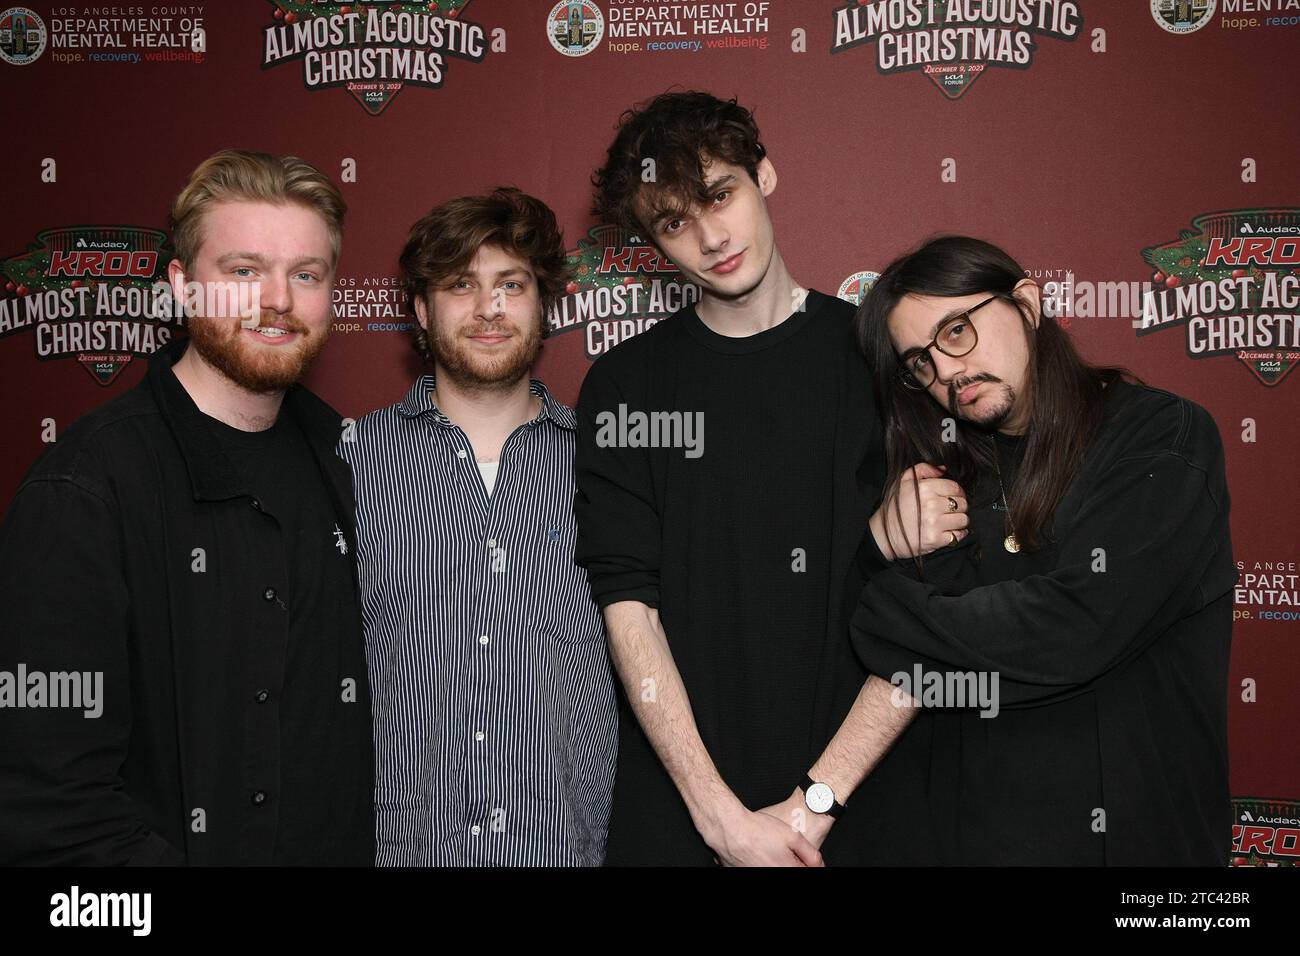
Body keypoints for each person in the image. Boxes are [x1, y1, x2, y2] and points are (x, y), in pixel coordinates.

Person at [0, 149, 374, 865]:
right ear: (182, 285)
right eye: (243, 272)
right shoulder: (84, 491)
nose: (278, 300)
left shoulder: (351, 463)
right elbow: (49, 810)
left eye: (306, 274)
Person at [576, 91, 902, 866]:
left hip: (864, 805)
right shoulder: (627, 384)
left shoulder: (882, 360)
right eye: (674, 222)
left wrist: (816, 803)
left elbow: (933, 604)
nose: (711, 237)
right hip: (686, 820)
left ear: (766, 174)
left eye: (720, 195)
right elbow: (631, 613)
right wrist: (721, 820)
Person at [848, 235, 1236, 864]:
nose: (946, 373)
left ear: (1027, 303)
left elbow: (1077, 627)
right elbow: (930, 677)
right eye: (920, 362)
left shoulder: (1162, 436)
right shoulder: (943, 480)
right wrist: (874, 555)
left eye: (955, 331)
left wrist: (882, 608)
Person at [336, 187, 617, 866]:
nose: (488, 309)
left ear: (544, 304)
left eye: (511, 284)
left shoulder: (610, 470)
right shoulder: (346, 462)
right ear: (421, 311)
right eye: (461, 284)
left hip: (569, 852)